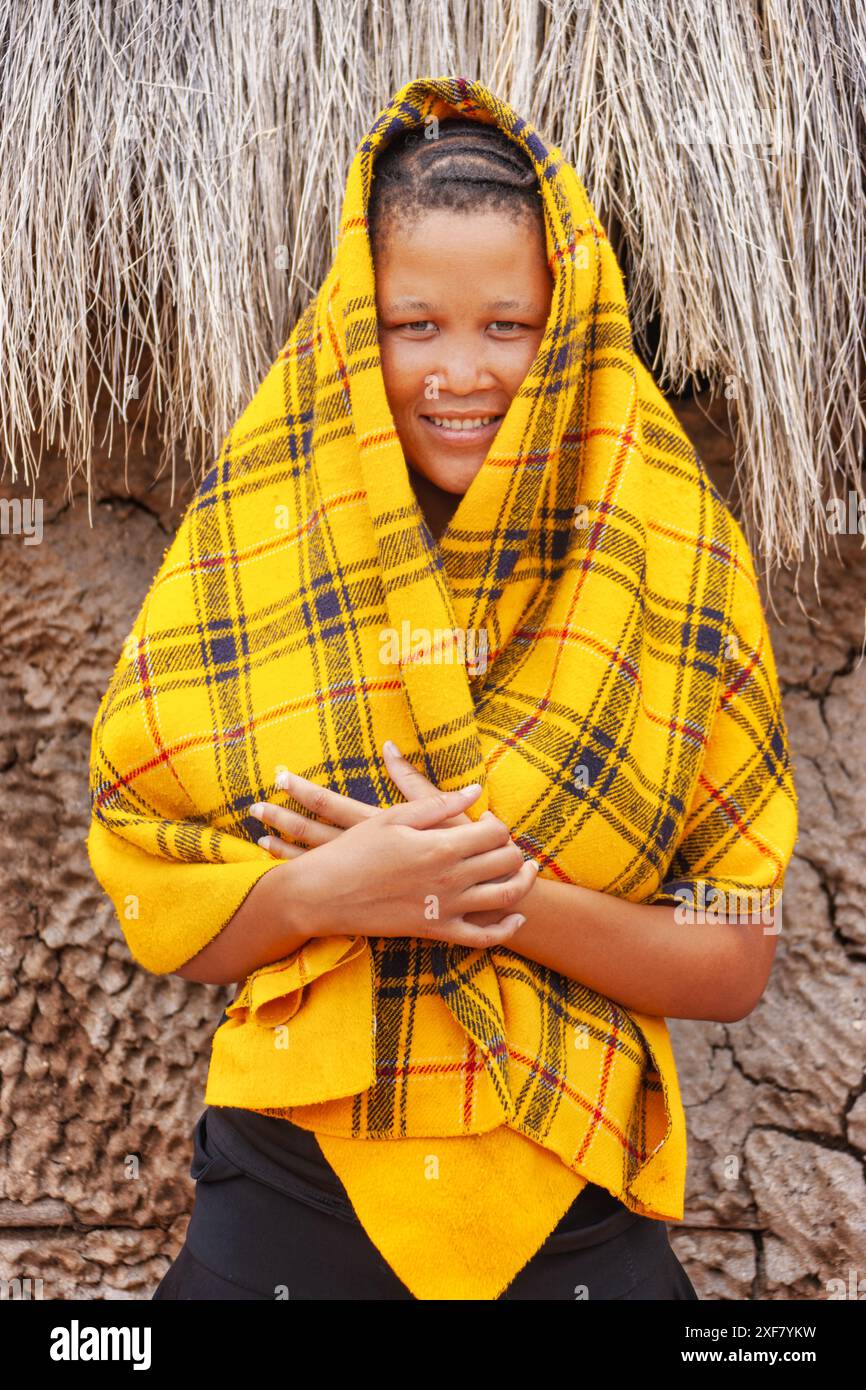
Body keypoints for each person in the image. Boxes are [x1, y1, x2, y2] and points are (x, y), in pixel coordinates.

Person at [87, 76, 797, 1302]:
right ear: (358, 326)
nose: (458, 371)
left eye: (506, 326)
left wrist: (470, 891)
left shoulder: (672, 552)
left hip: (571, 1224)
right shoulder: (257, 538)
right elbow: (158, 904)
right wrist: (330, 888)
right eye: (414, 325)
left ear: (566, 323)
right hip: (285, 1210)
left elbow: (732, 959)